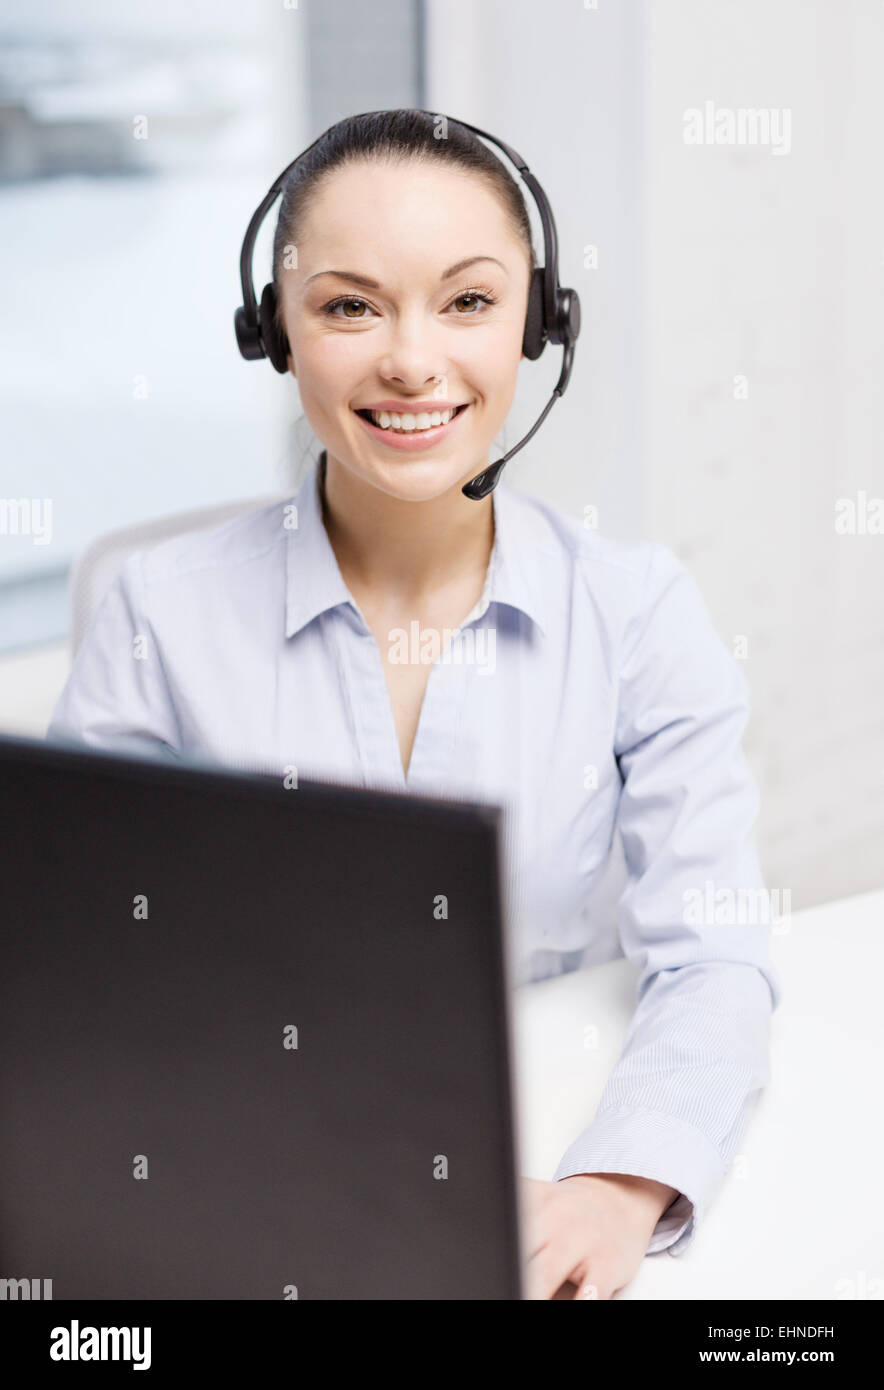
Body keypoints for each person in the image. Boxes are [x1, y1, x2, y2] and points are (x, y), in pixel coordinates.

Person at [47, 109, 781, 1300]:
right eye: (348, 305)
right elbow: (83, 961)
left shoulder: (636, 612)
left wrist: (620, 1181)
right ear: (272, 331)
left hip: (545, 1148)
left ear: (540, 323)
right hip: (247, 1179)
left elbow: (715, 957)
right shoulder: (157, 614)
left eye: (469, 301)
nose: (410, 359)